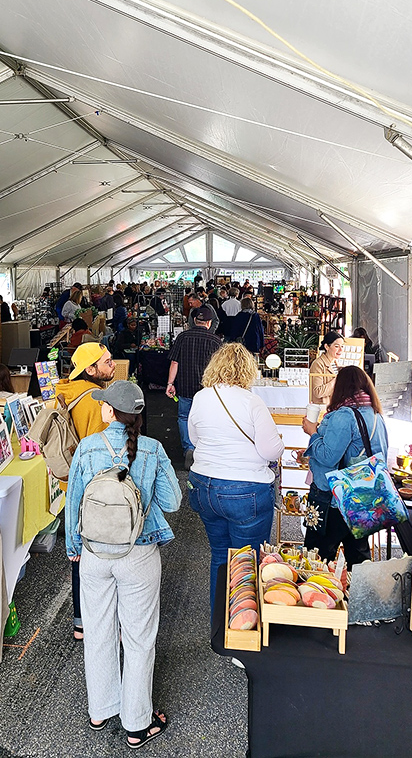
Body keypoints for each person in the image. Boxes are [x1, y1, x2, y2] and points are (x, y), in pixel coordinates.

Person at [65, 381, 181, 748]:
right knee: (138, 638)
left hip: (95, 556)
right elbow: (173, 501)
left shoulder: (87, 448)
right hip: (139, 554)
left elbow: (73, 505)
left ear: (110, 412)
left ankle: (100, 709)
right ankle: (136, 724)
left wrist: (73, 546)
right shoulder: (152, 450)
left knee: (97, 632)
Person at [187, 344, 284, 613]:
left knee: (220, 554)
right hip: (245, 490)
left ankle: (218, 627)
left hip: (204, 486)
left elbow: (195, 439)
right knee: (245, 561)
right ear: (247, 370)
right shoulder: (252, 401)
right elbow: (270, 450)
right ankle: (241, 631)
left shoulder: (201, 397)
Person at [55, 342, 116, 641]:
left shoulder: (64, 393)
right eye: (106, 362)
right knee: (102, 554)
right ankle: (103, 620)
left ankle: (80, 622)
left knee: (77, 556)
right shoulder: (96, 401)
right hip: (95, 487)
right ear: (90, 369)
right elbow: (102, 446)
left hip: (71, 485)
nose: (112, 365)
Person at [301, 365, 388, 567]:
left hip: (333, 497)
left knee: (318, 556)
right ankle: (357, 596)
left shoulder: (344, 415)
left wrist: (312, 433)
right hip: (363, 496)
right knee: (357, 556)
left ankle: (320, 596)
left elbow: (328, 456)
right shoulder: (376, 414)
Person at [167, 307, 222, 469]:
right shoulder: (215, 341)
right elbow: (219, 368)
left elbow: (174, 362)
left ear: (194, 321)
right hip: (207, 389)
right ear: (209, 322)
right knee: (207, 417)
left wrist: (170, 384)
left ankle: (189, 448)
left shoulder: (183, 337)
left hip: (184, 386)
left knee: (184, 417)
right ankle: (203, 449)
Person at [309, 331, 344, 406]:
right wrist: (337, 380)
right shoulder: (318, 364)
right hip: (323, 407)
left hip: (335, 406)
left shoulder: (336, 363)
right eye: (337, 346)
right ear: (327, 347)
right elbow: (318, 392)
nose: (340, 350)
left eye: (342, 346)